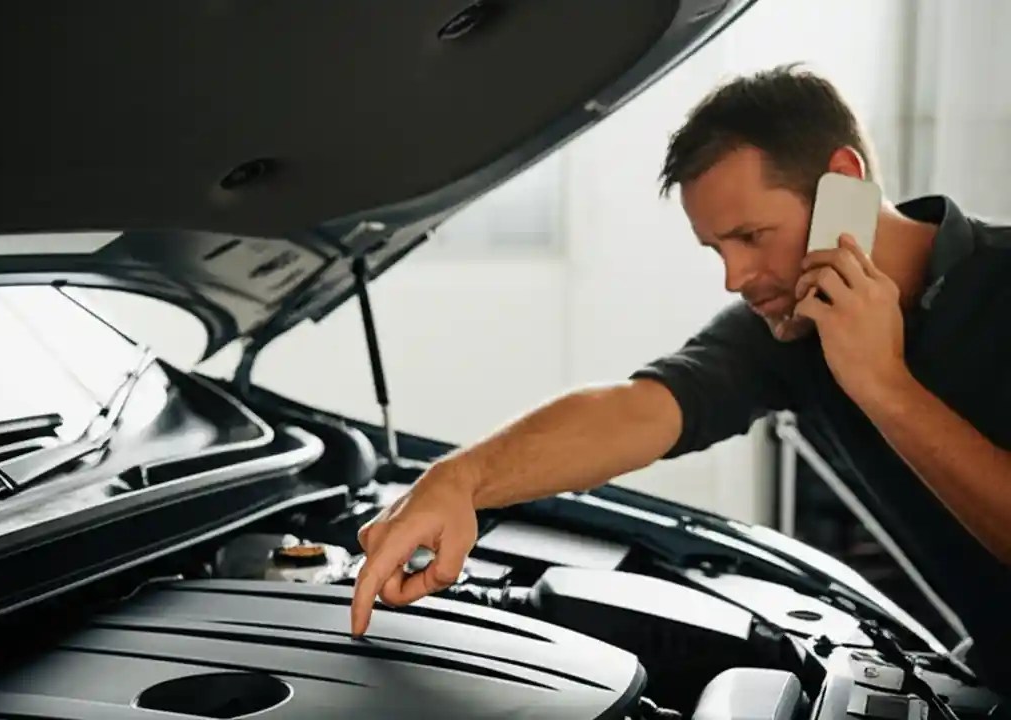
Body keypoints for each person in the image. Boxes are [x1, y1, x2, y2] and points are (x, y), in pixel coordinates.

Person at [349, 64, 1011, 686]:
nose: (735, 277)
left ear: (844, 183)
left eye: (752, 236)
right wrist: (459, 482)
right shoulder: (789, 327)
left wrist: (883, 384)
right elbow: (638, 410)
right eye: (716, 248)